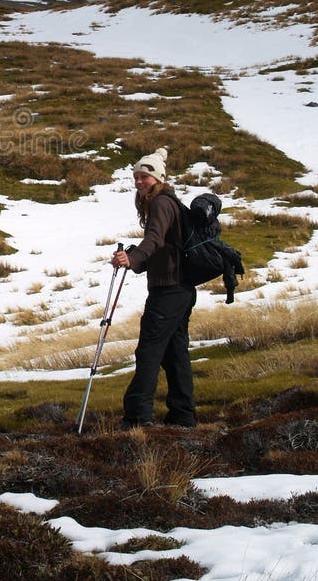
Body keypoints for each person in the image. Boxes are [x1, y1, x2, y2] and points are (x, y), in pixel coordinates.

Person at [110, 146, 197, 429]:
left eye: (143, 177)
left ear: (158, 178)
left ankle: (137, 416)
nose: (138, 182)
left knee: (148, 351)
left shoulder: (161, 203)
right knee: (175, 354)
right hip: (180, 290)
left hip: (169, 291)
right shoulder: (169, 202)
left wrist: (132, 258)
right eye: (136, 177)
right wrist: (136, 261)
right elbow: (164, 247)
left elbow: (155, 240)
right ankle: (183, 416)